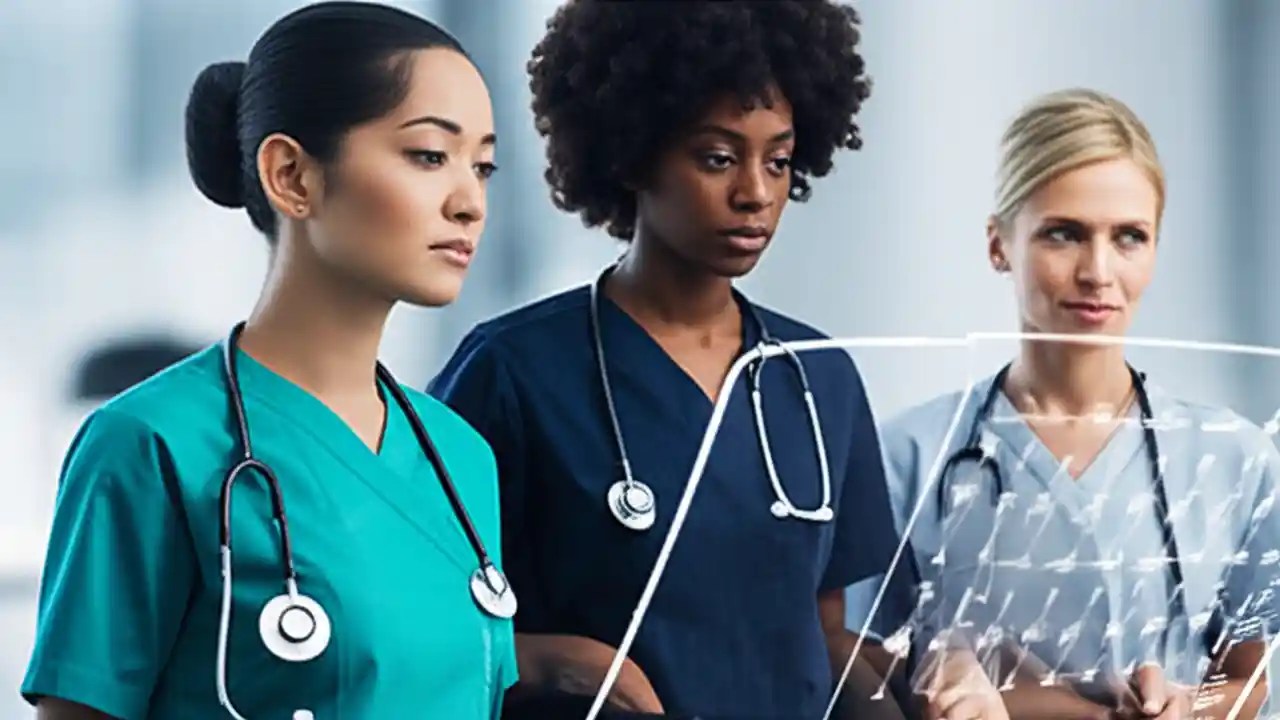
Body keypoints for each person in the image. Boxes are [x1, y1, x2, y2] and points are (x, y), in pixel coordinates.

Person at [20, 3, 517, 718]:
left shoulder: (461, 458)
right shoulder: (150, 445)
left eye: (484, 166)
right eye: (429, 156)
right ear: (292, 176)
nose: (470, 203)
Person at [428, 2, 913, 719]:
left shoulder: (818, 378)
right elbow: (426, 625)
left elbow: (823, 636)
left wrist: (926, 686)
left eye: (778, 161)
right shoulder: (513, 372)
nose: (755, 193)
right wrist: (554, 660)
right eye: (718, 158)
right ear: (633, 152)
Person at [876, 88, 1280, 719]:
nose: (1097, 272)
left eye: (1129, 237)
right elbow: (860, 663)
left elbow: (1248, 679)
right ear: (998, 245)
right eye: (1063, 234)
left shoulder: (1232, 460)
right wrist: (935, 672)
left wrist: (1189, 707)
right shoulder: (910, 456)